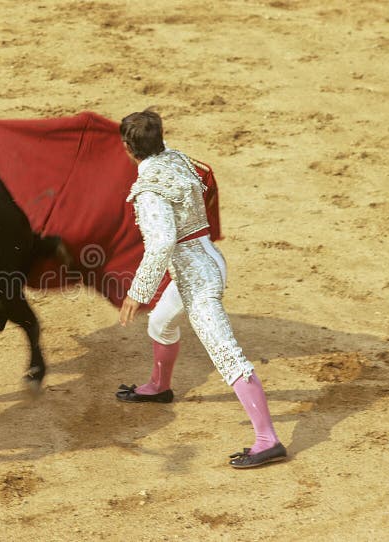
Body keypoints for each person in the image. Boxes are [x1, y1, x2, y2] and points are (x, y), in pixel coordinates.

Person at [115, 109, 286, 468]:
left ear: (128, 149)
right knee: (160, 323)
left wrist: (138, 291)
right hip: (205, 259)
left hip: (198, 277)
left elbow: (161, 243)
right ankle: (159, 387)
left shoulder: (149, 191)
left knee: (226, 354)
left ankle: (268, 440)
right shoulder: (176, 158)